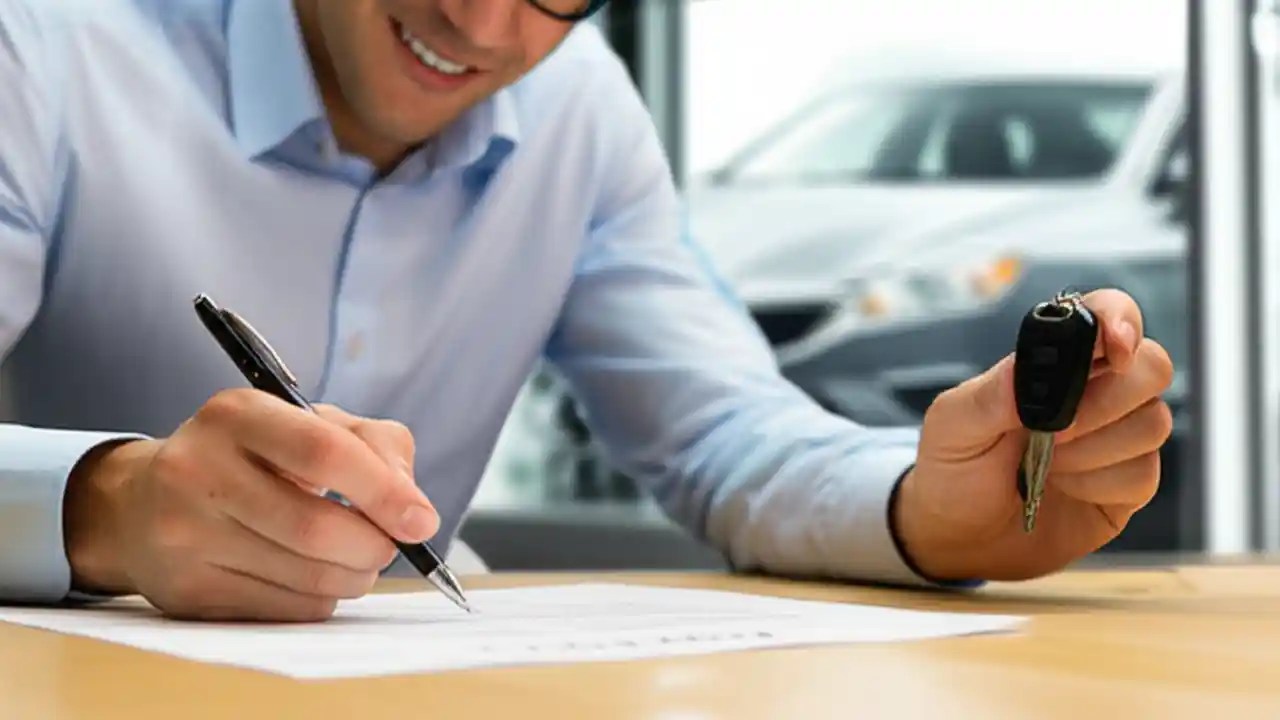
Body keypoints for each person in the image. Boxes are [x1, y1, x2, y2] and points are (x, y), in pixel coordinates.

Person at [0, 0, 1173, 621]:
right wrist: (106, 508)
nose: (483, 26)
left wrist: (929, 511)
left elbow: (724, 436)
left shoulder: (577, 103)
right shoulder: (48, 47)